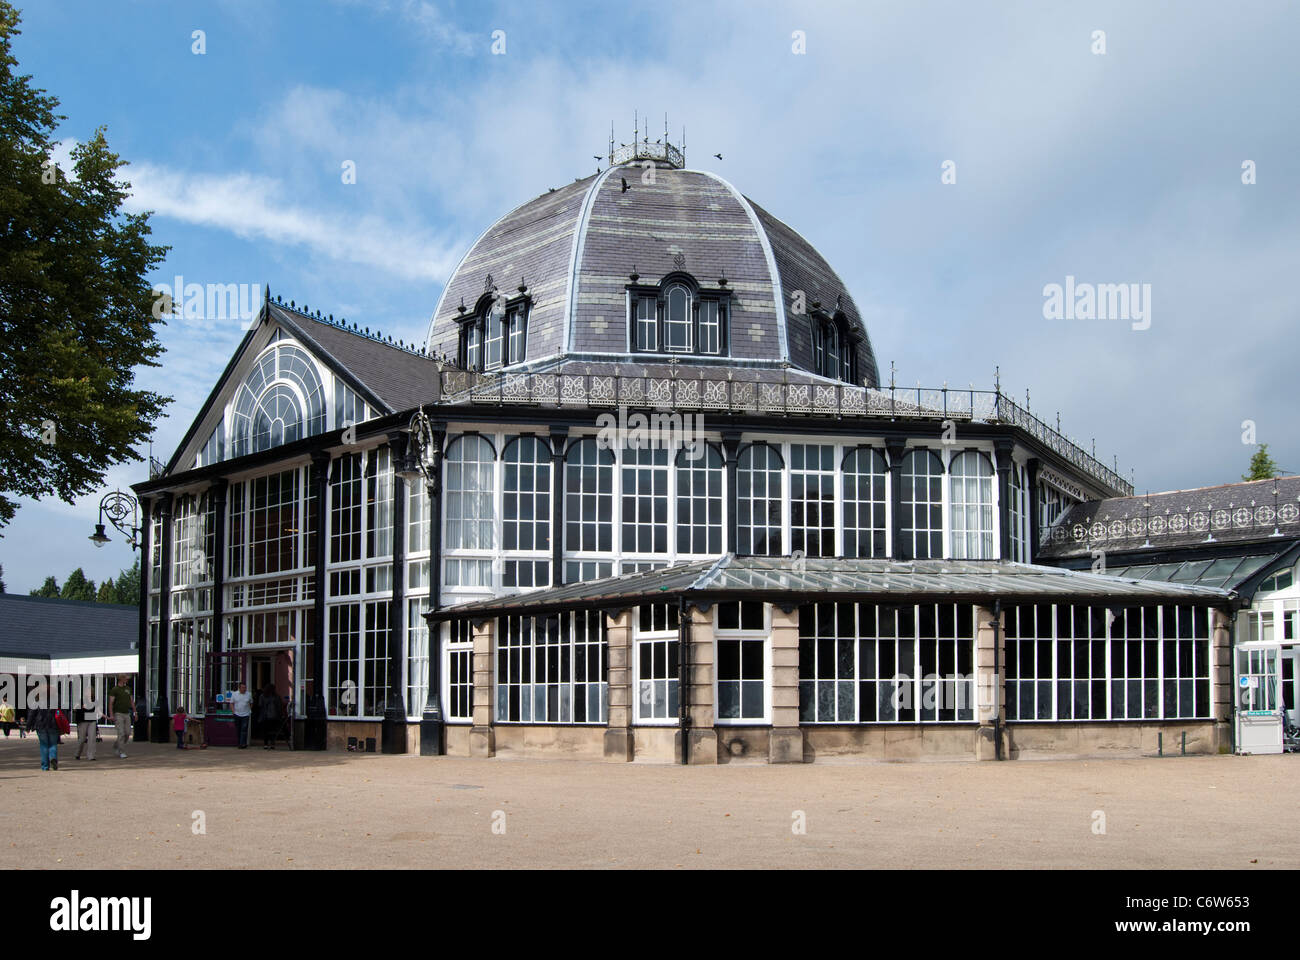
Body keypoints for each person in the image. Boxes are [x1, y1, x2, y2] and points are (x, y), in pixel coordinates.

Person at [26, 687, 60, 771]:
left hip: (41, 725)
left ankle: (45, 766)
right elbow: (60, 712)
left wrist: (28, 726)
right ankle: (53, 757)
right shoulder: (56, 701)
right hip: (53, 724)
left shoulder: (37, 701)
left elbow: (31, 714)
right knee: (53, 744)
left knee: (44, 745)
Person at [107, 676, 134, 759]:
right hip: (118, 713)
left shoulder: (128, 689)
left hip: (127, 713)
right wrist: (111, 714)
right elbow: (111, 703)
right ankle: (121, 751)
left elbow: (131, 701)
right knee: (121, 733)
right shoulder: (115, 690)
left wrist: (135, 712)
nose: (127, 680)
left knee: (127, 733)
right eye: (125, 678)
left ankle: (117, 745)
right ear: (121, 679)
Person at [73, 684, 97, 760]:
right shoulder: (81, 700)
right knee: (82, 739)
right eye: (87, 691)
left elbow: (97, 710)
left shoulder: (94, 700)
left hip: (92, 720)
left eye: (90, 691)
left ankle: (91, 756)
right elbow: (75, 708)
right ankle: (77, 753)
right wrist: (78, 707)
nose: (88, 692)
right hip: (83, 720)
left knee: (92, 738)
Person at [229, 682, 252, 749]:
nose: (244, 689)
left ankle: (243, 744)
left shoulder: (249, 694)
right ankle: (239, 742)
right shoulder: (234, 694)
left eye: (245, 687)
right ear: (239, 688)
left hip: (246, 714)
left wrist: (249, 710)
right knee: (238, 729)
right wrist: (233, 711)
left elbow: (251, 703)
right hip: (237, 714)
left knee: (244, 729)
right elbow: (231, 703)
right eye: (242, 687)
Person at [259, 683, 279, 750]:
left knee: (265, 731)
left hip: (265, 715)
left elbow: (260, 705)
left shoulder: (262, 696)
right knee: (273, 730)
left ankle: (265, 744)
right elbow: (278, 706)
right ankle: (272, 743)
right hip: (274, 715)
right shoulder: (275, 696)